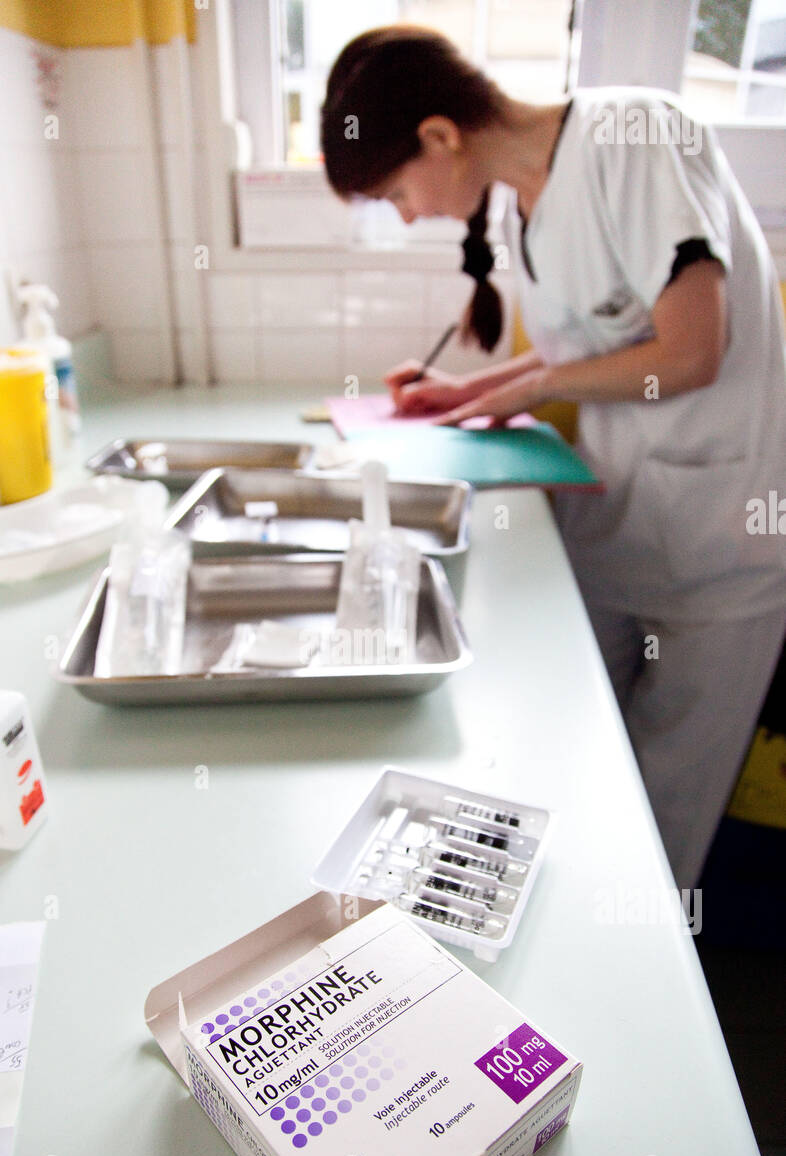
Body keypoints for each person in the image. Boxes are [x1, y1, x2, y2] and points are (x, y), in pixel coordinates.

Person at [319, 24, 786, 892]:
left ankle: (637, 1004)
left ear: (439, 135)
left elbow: (692, 351)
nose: (409, 214)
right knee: (571, 778)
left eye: (396, 192)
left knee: (660, 823)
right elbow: (594, 346)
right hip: (617, 528)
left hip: (719, 541)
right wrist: (464, 393)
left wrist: (522, 394)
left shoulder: (636, 135)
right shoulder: (526, 201)